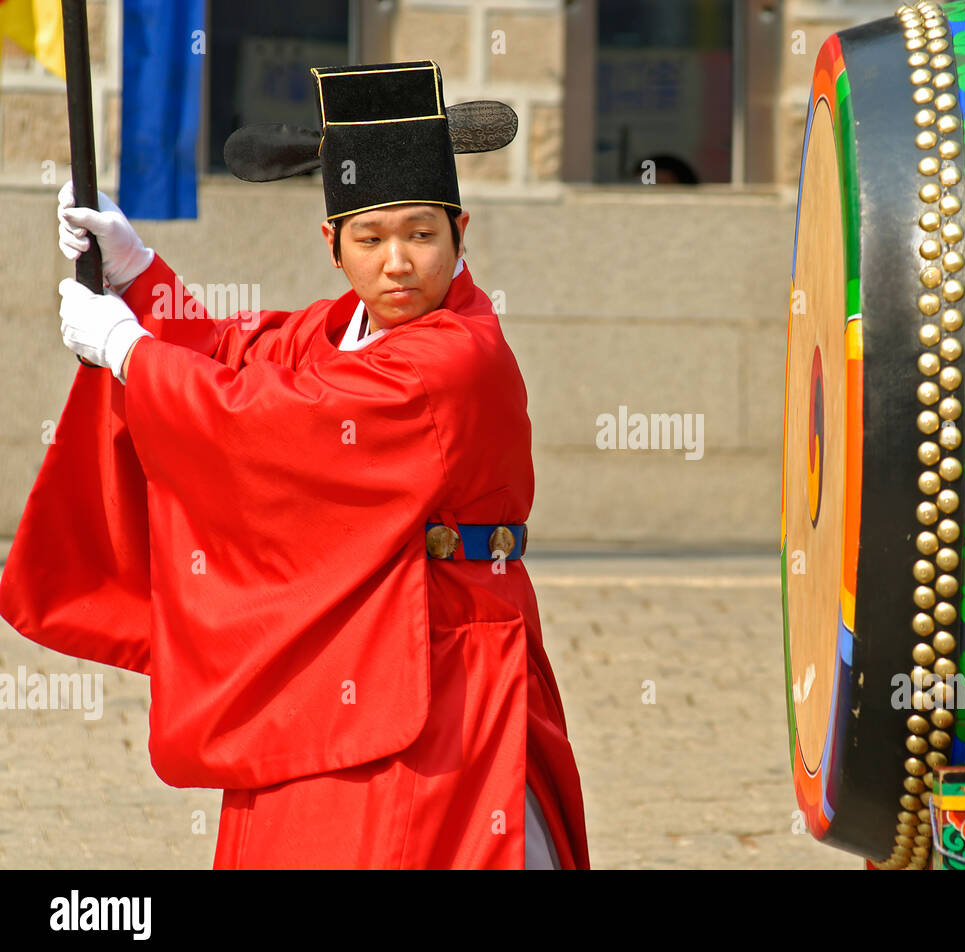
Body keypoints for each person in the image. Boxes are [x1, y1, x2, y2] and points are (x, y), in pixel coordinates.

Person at [0, 60, 590, 869]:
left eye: (421, 234)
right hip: (348, 635)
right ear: (333, 245)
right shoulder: (339, 328)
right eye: (371, 238)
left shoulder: (457, 355)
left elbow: (272, 422)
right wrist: (137, 273)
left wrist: (128, 352)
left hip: (448, 652)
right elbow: (231, 359)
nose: (397, 262)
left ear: (461, 233)